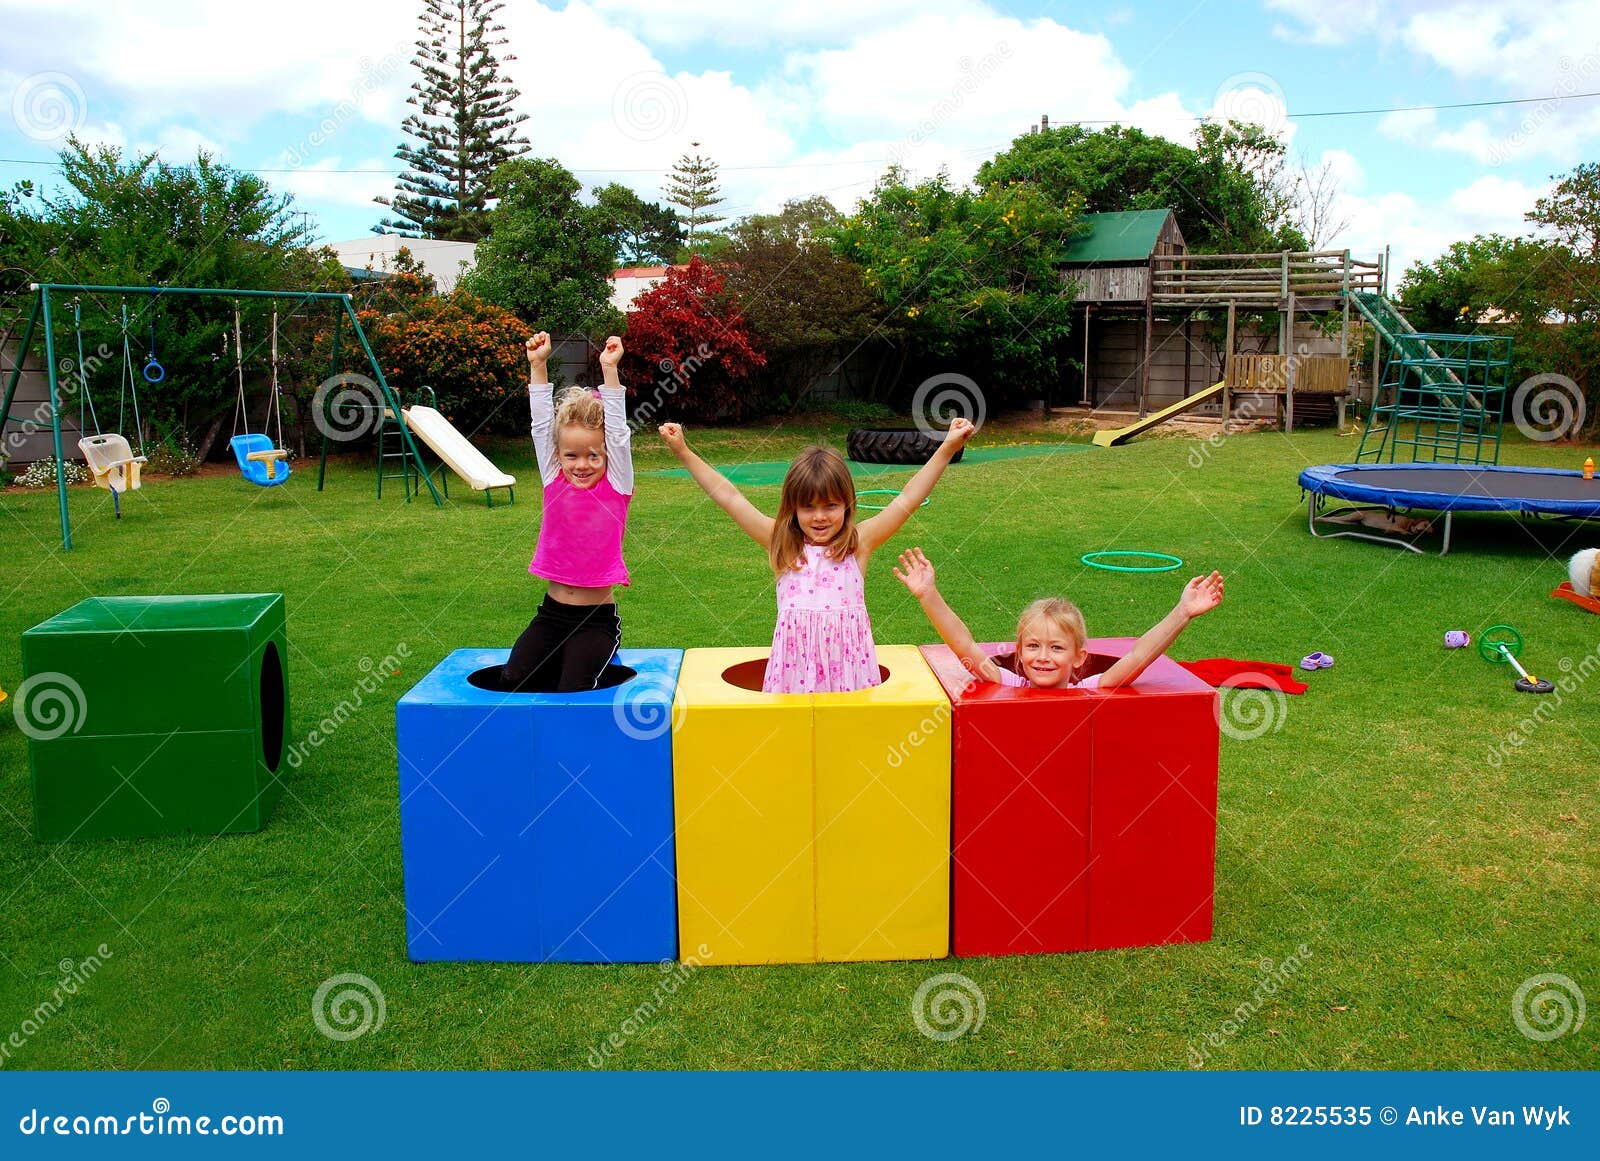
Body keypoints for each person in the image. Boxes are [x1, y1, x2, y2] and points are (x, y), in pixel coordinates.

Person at [659, 420, 976, 693]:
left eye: (831, 506)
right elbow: (729, 497)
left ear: (847, 505)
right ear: (793, 508)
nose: (820, 516)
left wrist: (948, 447)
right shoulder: (782, 543)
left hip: (850, 678)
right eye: (808, 507)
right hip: (793, 679)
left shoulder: (858, 544)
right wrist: (683, 452)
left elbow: (908, 498)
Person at [892, 545, 1224, 689]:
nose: (1043, 657)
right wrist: (928, 595)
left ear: (1079, 657)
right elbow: (964, 644)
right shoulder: (1008, 682)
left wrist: (1182, 613)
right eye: (1033, 646)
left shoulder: (1089, 688)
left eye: (1056, 648)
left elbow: (1137, 657)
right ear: (1019, 652)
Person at [501, 332, 632, 692]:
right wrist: (538, 365)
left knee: (573, 687)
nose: (582, 465)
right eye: (571, 456)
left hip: (595, 621)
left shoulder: (617, 484)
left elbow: (618, 435)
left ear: (606, 455)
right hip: (551, 615)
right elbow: (541, 426)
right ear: (558, 456)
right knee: (513, 679)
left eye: (593, 456)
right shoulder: (553, 478)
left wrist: (609, 369)